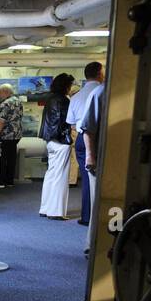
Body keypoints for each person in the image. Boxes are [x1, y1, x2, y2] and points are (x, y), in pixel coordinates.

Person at [68, 61, 105, 225]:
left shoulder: (76, 96)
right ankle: (99, 219)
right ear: (99, 73)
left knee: (87, 180)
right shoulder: (104, 93)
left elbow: (71, 123)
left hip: (82, 140)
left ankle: (86, 216)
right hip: (97, 140)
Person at [39, 73, 75, 219]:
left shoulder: (49, 99)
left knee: (51, 174)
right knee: (60, 176)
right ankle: (56, 212)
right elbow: (66, 121)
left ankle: (45, 208)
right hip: (61, 141)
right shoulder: (64, 100)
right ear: (66, 86)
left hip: (50, 141)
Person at [81, 75, 107, 257]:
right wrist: (90, 156)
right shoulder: (100, 93)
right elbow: (88, 129)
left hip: (115, 158)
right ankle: (92, 245)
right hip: (99, 158)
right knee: (97, 203)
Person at [0, 83, 24, 186]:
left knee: (2, 159)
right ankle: (9, 181)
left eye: (0, 93)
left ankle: (0, 182)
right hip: (16, 135)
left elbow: (1, 122)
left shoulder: (5, 103)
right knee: (11, 158)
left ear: (5, 92)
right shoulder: (18, 102)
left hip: (6, 135)